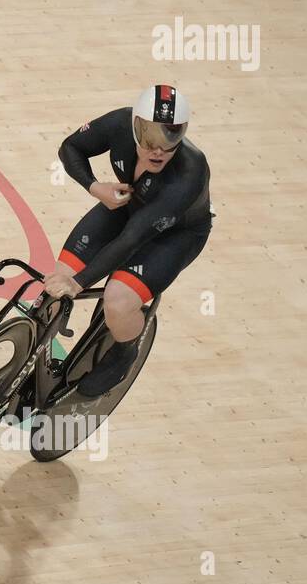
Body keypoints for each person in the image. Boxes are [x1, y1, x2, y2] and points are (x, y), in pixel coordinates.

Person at [43, 85, 212, 396]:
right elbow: (70, 147)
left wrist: (79, 283)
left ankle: (124, 352)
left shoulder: (190, 171)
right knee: (57, 280)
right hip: (127, 205)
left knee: (117, 300)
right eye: (149, 137)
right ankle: (32, 358)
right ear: (134, 126)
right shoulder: (118, 122)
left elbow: (133, 238)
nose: (158, 150)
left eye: (170, 137)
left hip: (174, 235)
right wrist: (94, 187)